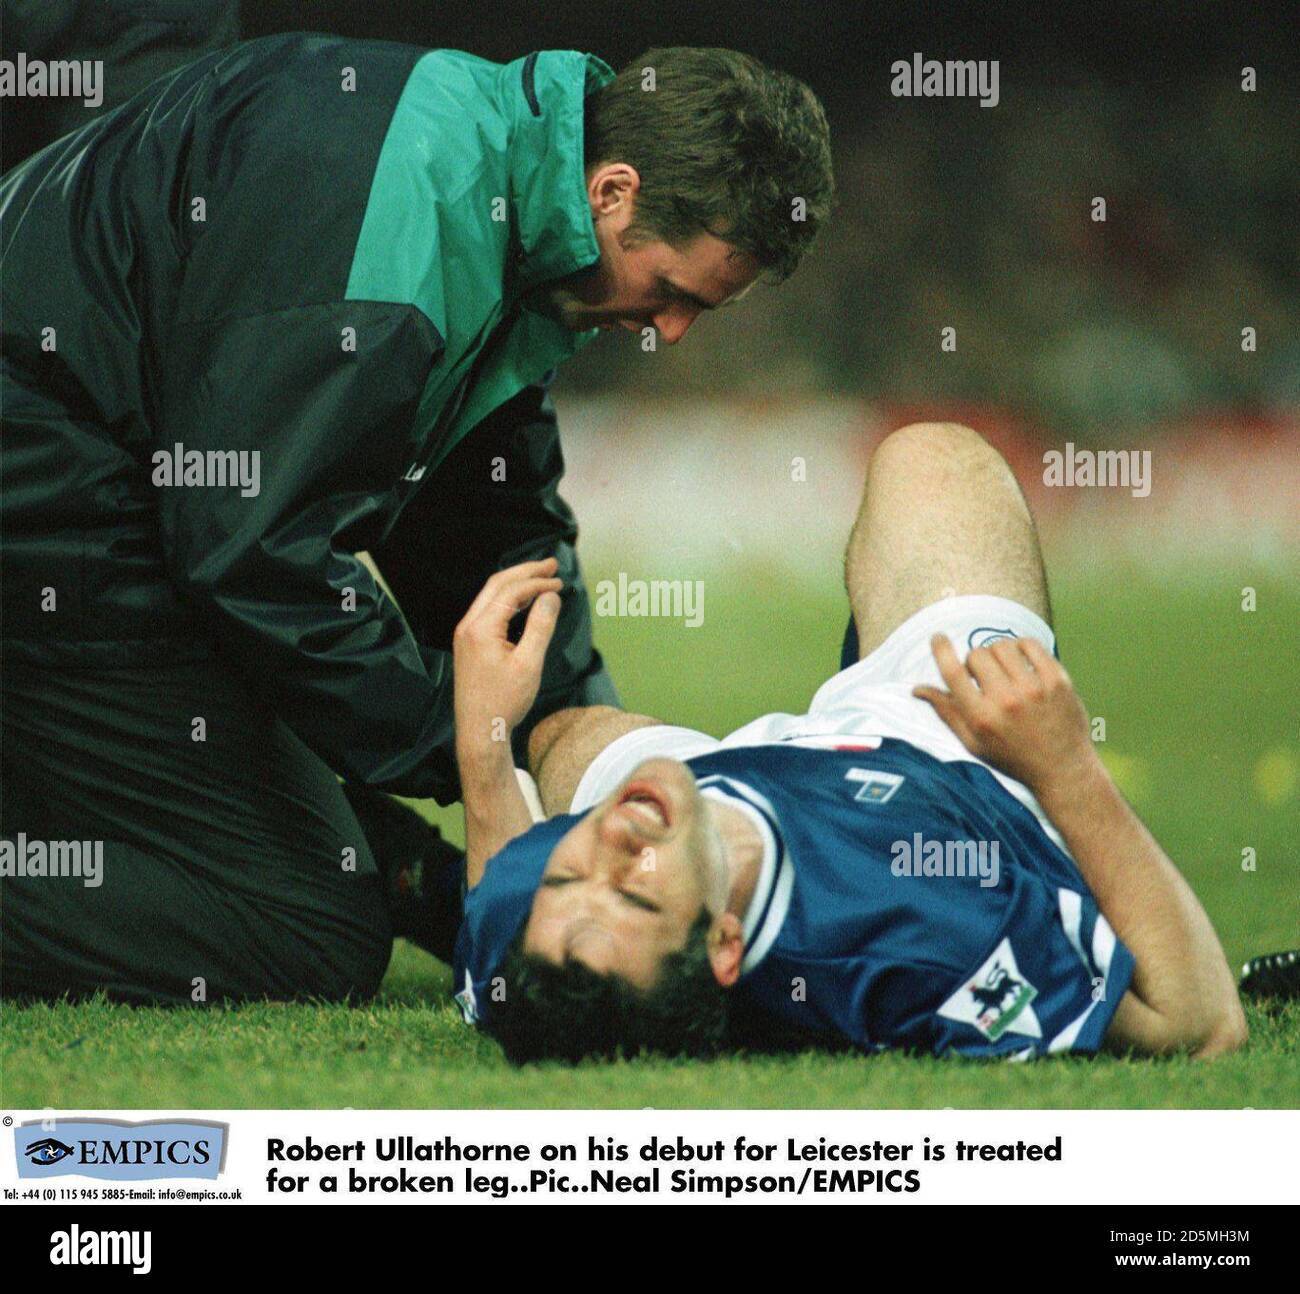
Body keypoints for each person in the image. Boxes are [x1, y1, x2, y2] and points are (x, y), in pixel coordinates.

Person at [0, 37, 833, 1003]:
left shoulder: (490, 190)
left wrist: (582, 744)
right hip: (49, 502)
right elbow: (248, 555)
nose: (673, 331)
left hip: (86, 478)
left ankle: (388, 865)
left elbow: (478, 515)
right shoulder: (393, 244)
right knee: (302, 926)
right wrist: (469, 744)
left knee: (287, 794)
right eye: (674, 293)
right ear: (612, 191)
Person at [451, 422, 1248, 1062]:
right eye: (636, 889)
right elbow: (1201, 1024)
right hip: (948, 759)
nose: (610, 845)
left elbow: (496, 899)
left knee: (560, 737)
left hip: (728, 784)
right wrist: (1065, 767)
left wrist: (485, 738)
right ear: (726, 946)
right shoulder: (931, 940)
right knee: (932, 457)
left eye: (570, 876)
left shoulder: (548, 951)